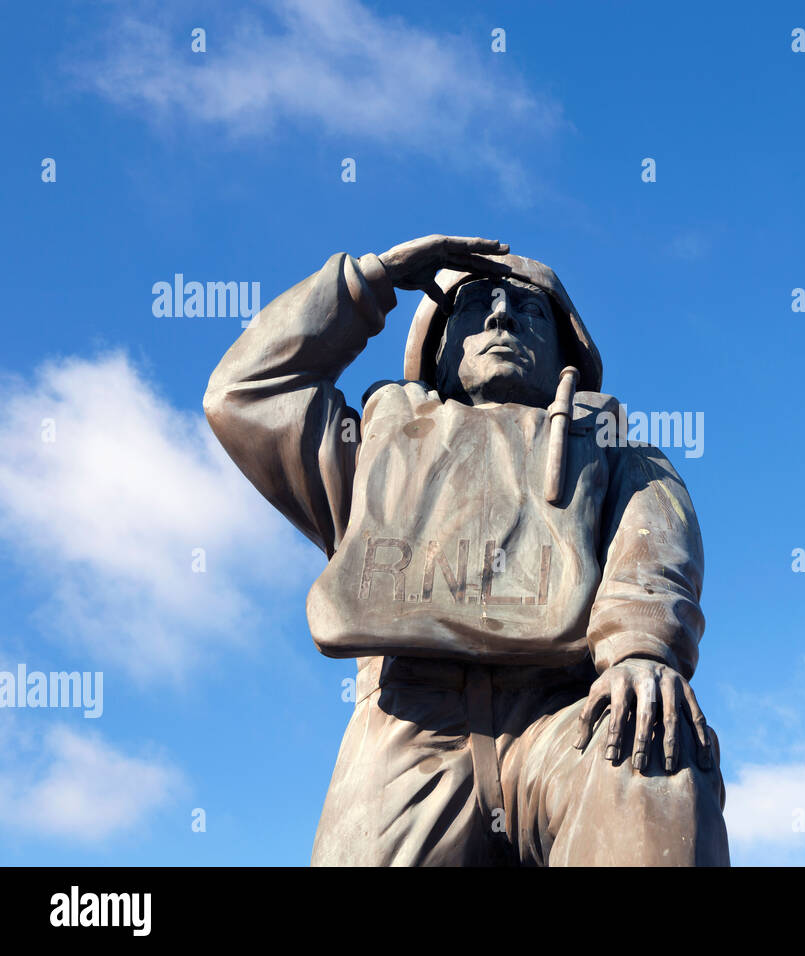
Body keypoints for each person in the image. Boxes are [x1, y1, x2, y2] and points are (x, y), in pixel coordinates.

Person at [203, 234, 729, 866]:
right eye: (478, 306)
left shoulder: (618, 449)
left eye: (529, 310)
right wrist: (367, 283)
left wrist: (642, 653)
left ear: (564, 352)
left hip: (564, 713)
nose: (502, 316)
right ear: (440, 348)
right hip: (410, 720)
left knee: (655, 763)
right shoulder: (367, 442)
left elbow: (654, 550)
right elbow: (244, 393)